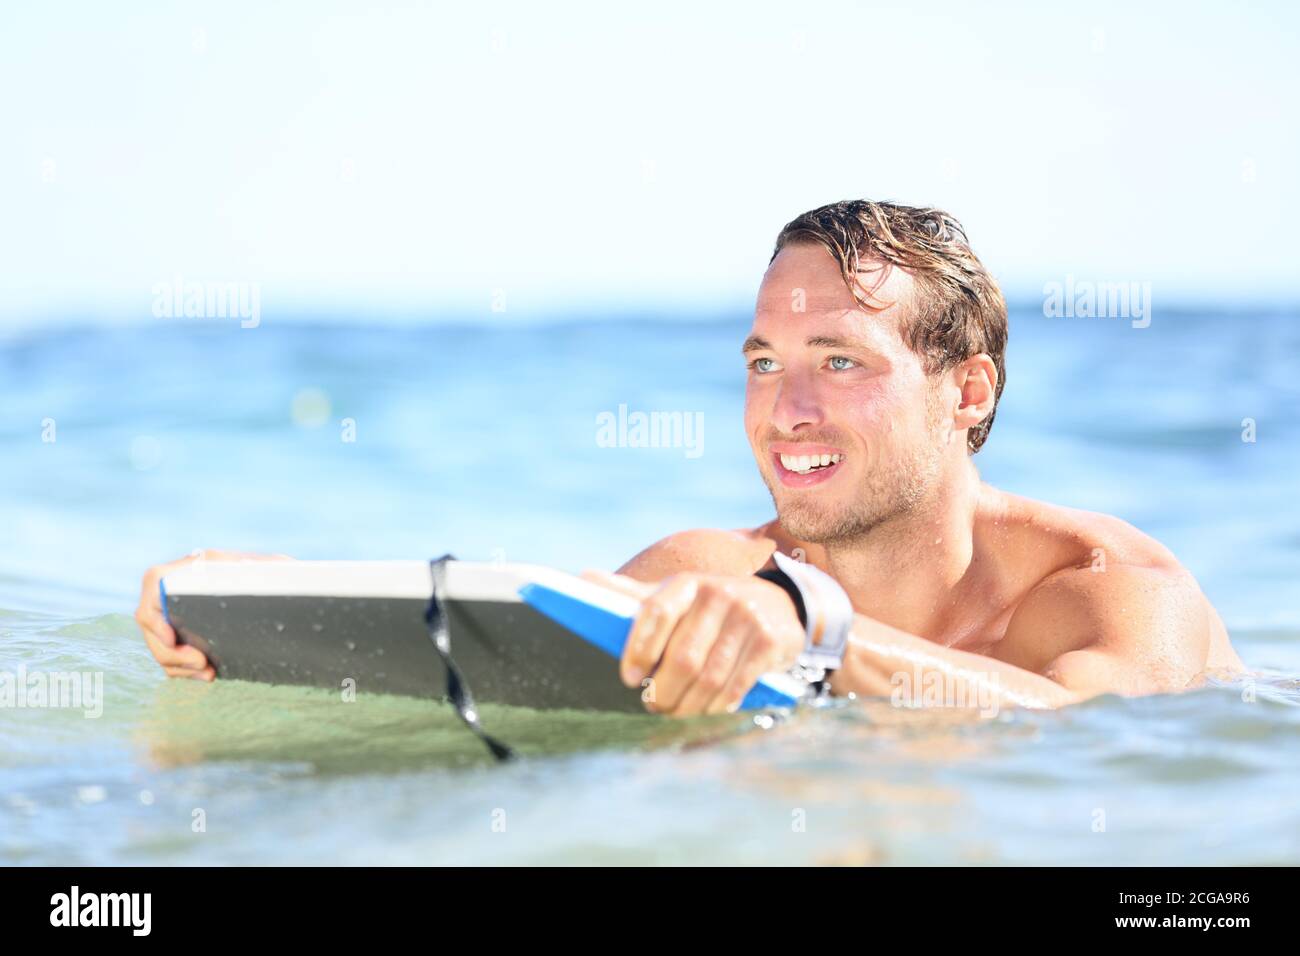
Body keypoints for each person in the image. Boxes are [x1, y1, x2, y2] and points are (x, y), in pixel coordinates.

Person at [135, 200, 1244, 716]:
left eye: (839, 362)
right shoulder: (715, 567)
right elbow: (522, 648)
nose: (786, 410)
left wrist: (821, 637)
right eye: (763, 363)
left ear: (967, 390)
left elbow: (1083, 732)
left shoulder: (1112, 591)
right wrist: (271, 614)